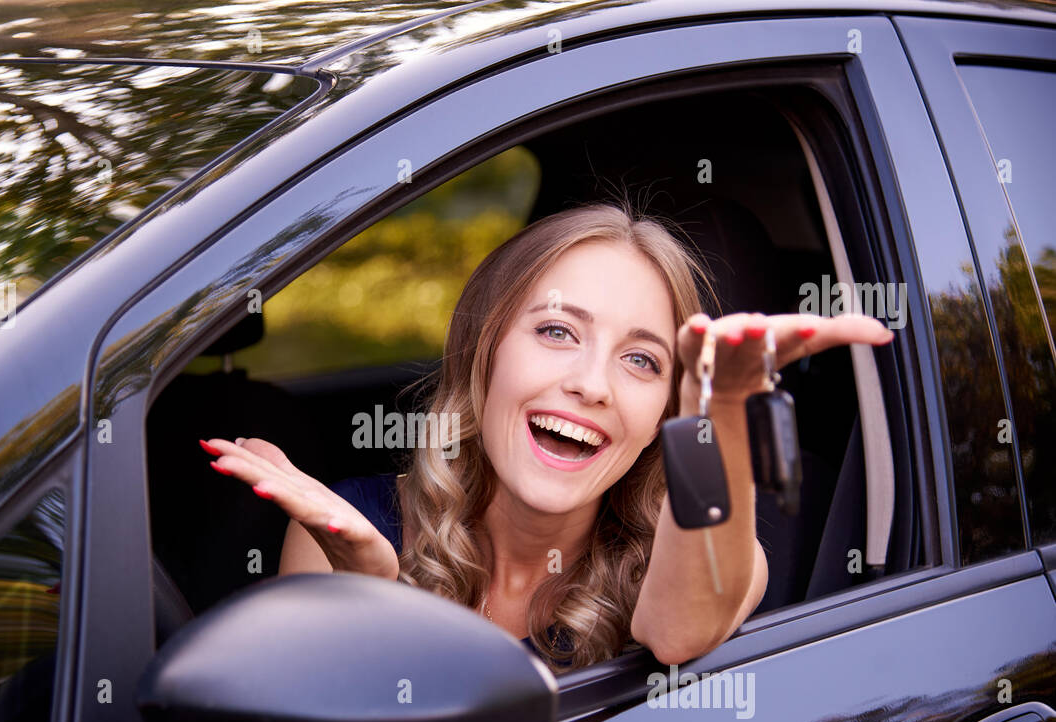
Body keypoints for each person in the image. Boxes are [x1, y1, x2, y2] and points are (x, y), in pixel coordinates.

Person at [198, 202, 893, 672]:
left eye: (642, 360)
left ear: (661, 417)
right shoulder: (342, 533)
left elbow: (680, 629)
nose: (593, 384)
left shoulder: (694, 556)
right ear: (486, 347)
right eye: (558, 331)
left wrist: (722, 411)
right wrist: (371, 602)